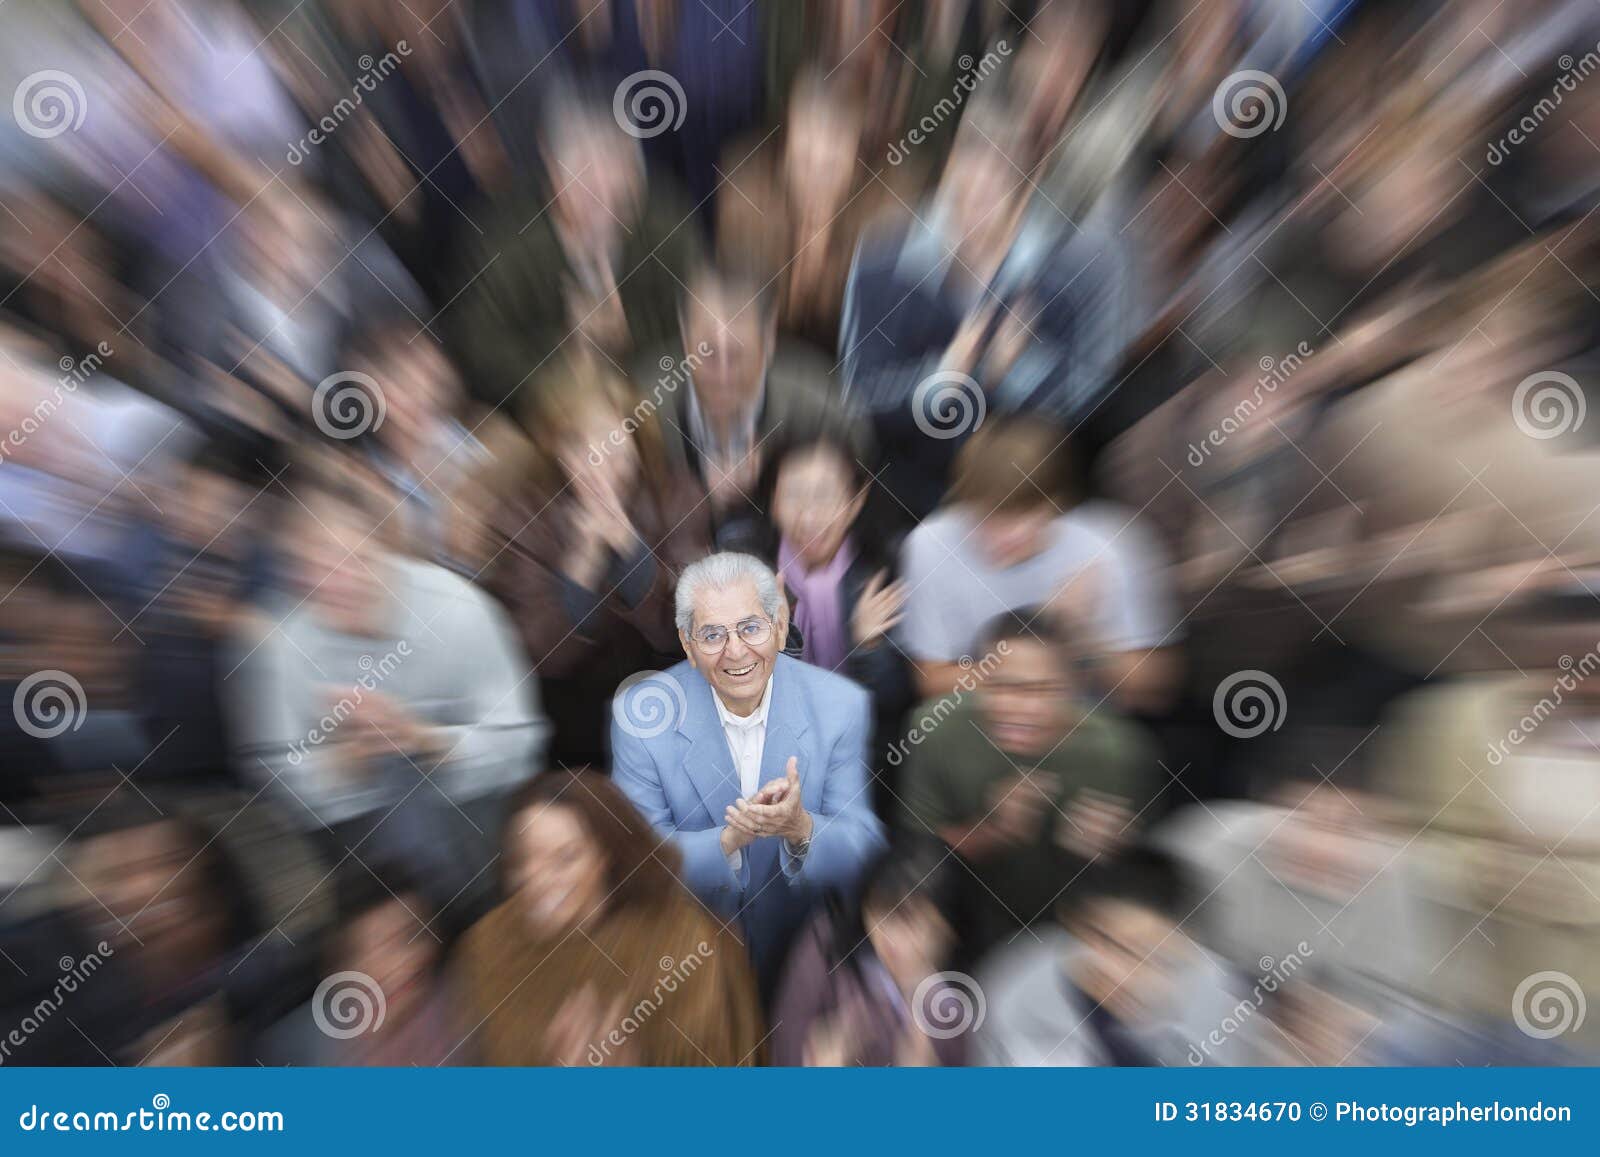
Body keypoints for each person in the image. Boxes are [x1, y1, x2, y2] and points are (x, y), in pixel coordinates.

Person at [229, 464, 548, 932]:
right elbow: (278, 779)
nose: (338, 582)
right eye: (314, 568)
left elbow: (522, 740)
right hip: (352, 830)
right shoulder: (277, 644)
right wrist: (345, 764)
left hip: (470, 805)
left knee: (413, 794)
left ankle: (471, 934)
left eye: (354, 559)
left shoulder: (457, 608)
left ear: (384, 548)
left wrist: (426, 740)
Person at [611, 552, 886, 984]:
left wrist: (800, 828)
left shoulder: (842, 705)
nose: (735, 651)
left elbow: (861, 849)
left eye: (750, 628)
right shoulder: (641, 716)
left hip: (807, 954)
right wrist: (725, 842)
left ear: (779, 627)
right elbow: (635, 857)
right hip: (685, 959)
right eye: (712, 635)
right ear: (687, 642)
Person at [487, 359, 711, 765]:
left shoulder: (677, 494)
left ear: (635, 438)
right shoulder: (522, 517)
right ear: (554, 451)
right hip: (577, 712)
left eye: (611, 437)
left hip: (671, 689)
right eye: (577, 443)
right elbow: (542, 656)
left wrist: (629, 547)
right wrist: (581, 565)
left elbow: (690, 626)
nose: (598, 457)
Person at [455, 771, 763, 1065]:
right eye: (523, 860)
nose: (535, 879)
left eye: (564, 859)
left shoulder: (684, 945)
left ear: (607, 858)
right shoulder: (489, 945)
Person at [898, 610, 1161, 953]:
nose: (1017, 707)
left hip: (1077, 937)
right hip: (963, 929)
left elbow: (1149, 887)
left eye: (1040, 690)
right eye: (1000, 686)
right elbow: (911, 867)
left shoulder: (1119, 751)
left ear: (1074, 690)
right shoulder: (935, 729)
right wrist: (993, 833)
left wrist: (1110, 853)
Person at [898, 415, 1180, 711]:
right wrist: (1040, 658)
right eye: (984, 515)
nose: (1000, 536)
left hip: (1080, 723)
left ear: (1057, 505)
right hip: (981, 718)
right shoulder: (932, 542)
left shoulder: (1112, 544)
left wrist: (1082, 638)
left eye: (1021, 515)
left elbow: (1155, 687)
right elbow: (933, 681)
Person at [650, 265, 871, 551]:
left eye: (737, 354)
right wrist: (702, 502)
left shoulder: (822, 409)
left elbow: (857, 509)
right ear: (684, 334)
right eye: (709, 353)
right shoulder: (643, 407)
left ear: (768, 338)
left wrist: (772, 490)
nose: (724, 375)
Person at [972, 849, 1235, 1066]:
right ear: (1075, 929)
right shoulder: (1019, 997)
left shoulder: (1217, 989)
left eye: (1162, 958)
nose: (1137, 974)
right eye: (1121, 948)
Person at [757, 436, 912, 771]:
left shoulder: (883, 565)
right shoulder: (748, 568)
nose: (809, 515)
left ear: (857, 500)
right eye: (794, 495)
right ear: (772, 501)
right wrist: (781, 643)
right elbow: (742, 696)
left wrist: (868, 646)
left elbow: (894, 701)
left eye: (826, 496)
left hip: (861, 754)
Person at [771, 854, 968, 1066]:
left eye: (915, 924)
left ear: (948, 933)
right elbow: (785, 1049)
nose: (892, 937)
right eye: (882, 911)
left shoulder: (953, 1006)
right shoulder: (827, 943)